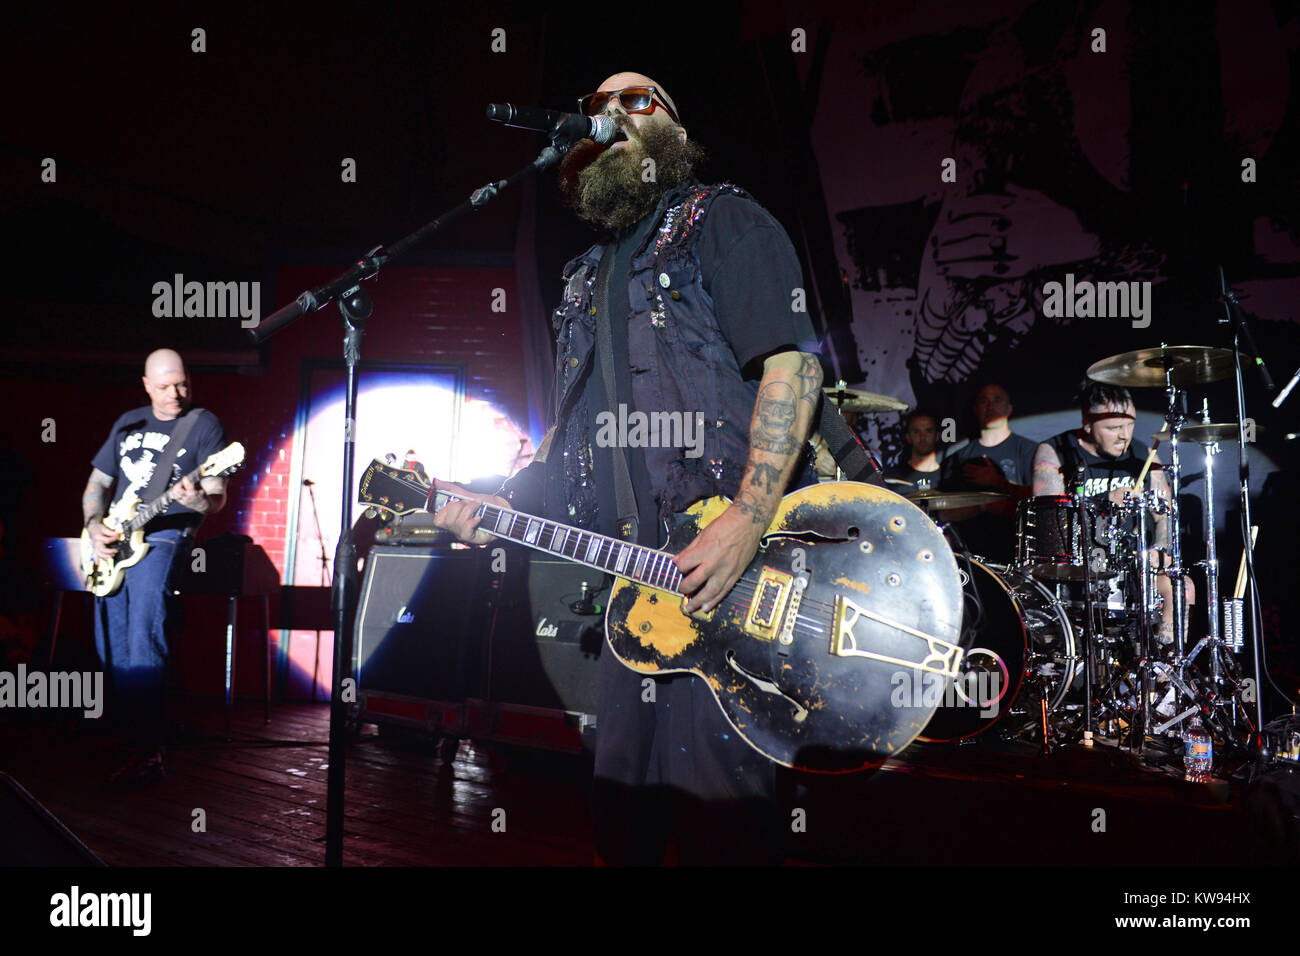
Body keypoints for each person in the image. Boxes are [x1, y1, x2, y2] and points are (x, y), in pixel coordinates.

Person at [434, 71, 821, 864]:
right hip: (633, 595)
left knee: (725, 824)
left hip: (735, 577)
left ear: (675, 131)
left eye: (637, 99)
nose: (611, 110)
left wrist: (748, 519)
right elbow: (564, 440)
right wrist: (494, 506)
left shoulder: (726, 221)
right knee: (622, 823)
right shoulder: (580, 280)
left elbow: (794, 370)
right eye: (598, 104)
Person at [83, 349, 227, 786]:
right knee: (112, 651)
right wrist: (93, 525)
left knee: (143, 642)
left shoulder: (203, 424)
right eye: (164, 387)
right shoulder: (128, 422)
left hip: (165, 538)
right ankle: (129, 740)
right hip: (113, 541)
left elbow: (216, 496)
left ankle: (147, 752)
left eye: (181, 384)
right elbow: (98, 484)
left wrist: (196, 500)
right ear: (146, 384)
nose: (175, 394)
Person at [1032, 380, 1191, 644]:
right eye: (1113, 427)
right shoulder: (1056, 451)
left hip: (1131, 567)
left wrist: (1161, 551)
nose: (1124, 435)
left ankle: (1164, 676)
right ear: (1087, 423)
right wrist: (1105, 501)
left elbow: (1165, 514)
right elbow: (1051, 521)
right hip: (1078, 567)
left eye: (1130, 424)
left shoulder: (1143, 454)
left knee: (1180, 586)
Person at [938, 383, 1037, 562]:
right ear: (975, 409)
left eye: (997, 400)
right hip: (971, 552)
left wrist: (997, 482)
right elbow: (945, 509)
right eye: (984, 401)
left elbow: (1037, 501)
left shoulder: (1030, 450)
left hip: (1015, 549)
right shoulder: (959, 457)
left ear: (1009, 409)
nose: (990, 406)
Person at [881, 410, 942, 492]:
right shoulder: (891, 478)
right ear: (908, 437)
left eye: (928, 431)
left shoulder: (949, 477)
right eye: (916, 432)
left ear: (937, 436)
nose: (923, 437)